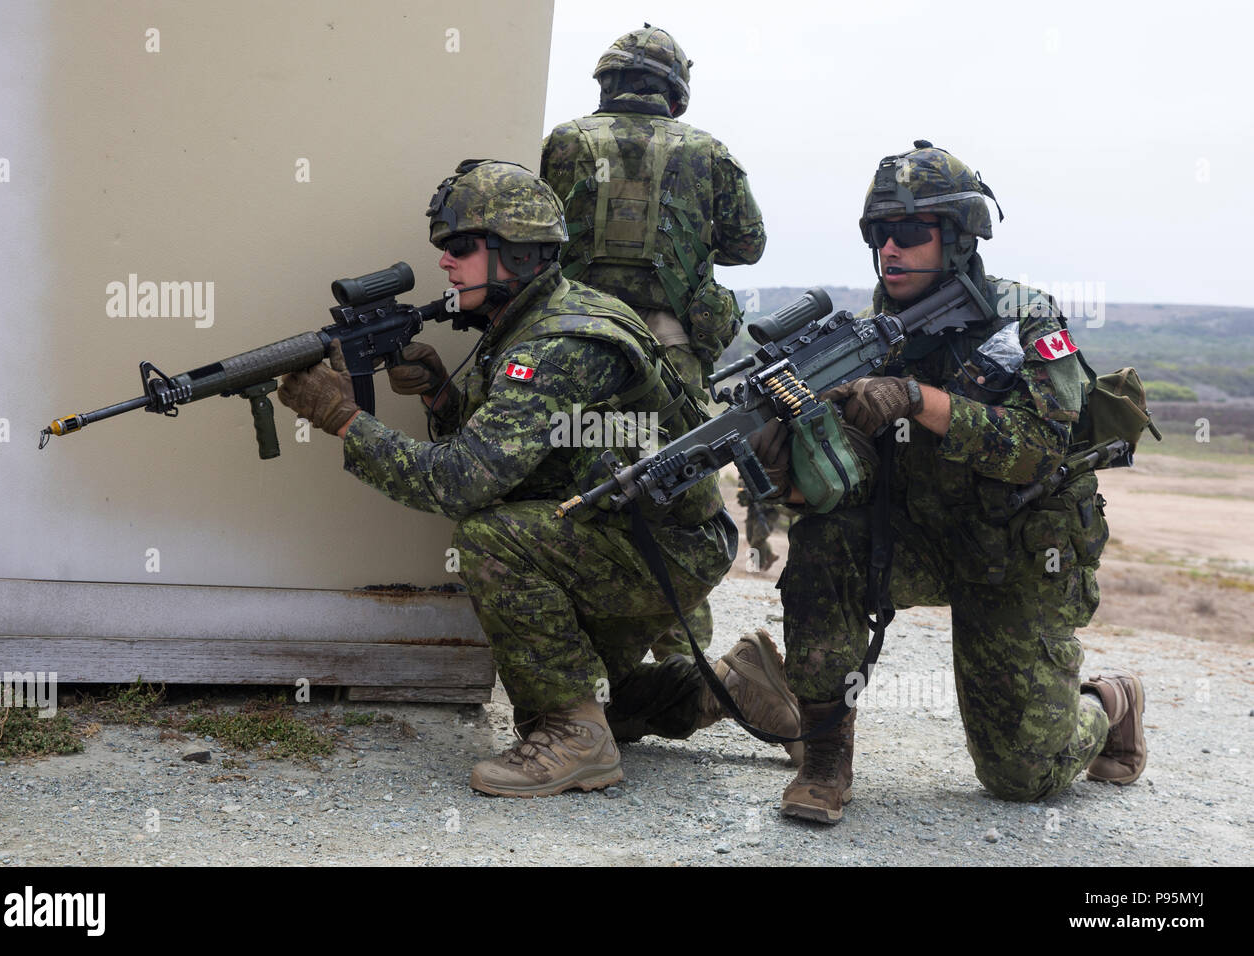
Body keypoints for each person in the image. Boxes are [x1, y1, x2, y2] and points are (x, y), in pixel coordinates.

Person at [275, 159, 801, 797]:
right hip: (636, 530)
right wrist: (441, 395)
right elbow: (513, 445)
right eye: (445, 248)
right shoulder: (526, 322)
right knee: (599, 693)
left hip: (661, 546)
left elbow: (462, 481)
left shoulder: (556, 344)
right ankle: (732, 684)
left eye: (462, 248)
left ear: (518, 255)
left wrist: (343, 419)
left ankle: (575, 740)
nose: (445, 263)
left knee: (491, 536)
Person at [758, 142, 1145, 823]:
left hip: (1013, 551)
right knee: (823, 540)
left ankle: (1106, 703)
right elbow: (841, 485)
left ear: (960, 238)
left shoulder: (1025, 320)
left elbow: (1039, 451)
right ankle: (823, 758)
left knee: (1022, 778)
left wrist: (914, 398)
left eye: (911, 233)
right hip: (910, 539)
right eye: (880, 234)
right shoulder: (867, 337)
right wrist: (790, 462)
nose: (891, 250)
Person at [541, 23, 767, 660]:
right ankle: (682, 656)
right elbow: (749, 245)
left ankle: (575, 650)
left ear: (608, 83)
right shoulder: (707, 150)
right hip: (670, 349)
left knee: (565, 474)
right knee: (674, 488)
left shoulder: (564, 142)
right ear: (675, 94)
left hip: (576, 338)